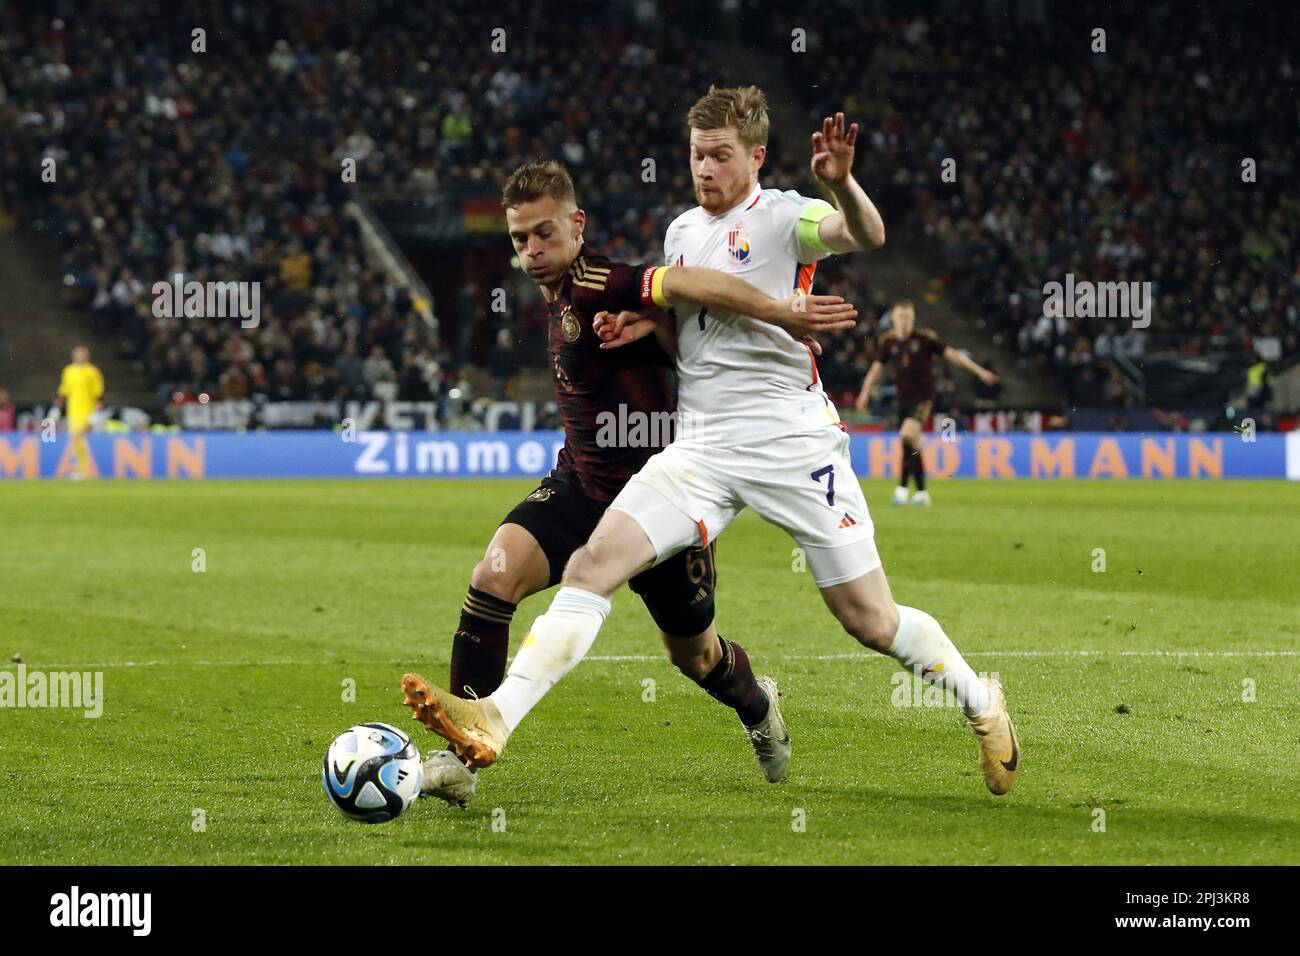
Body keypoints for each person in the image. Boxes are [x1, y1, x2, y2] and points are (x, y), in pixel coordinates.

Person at [402, 88, 1020, 797]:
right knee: (592, 566)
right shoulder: (680, 232)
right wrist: (647, 330)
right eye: (697, 155)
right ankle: (494, 721)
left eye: (721, 155)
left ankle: (980, 701)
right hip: (702, 446)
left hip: (793, 440)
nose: (706, 169)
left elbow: (869, 237)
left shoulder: (788, 215)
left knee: (870, 619)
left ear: (755, 156)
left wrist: (843, 183)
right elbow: (690, 336)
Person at [415, 159, 858, 806]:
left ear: (577, 224)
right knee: (492, 577)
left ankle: (759, 704)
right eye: (519, 240)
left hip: (657, 501)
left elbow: (692, 281)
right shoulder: (558, 291)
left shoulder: (606, 282)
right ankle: (464, 760)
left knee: (697, 657)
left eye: (544, 234)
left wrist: (778, 311)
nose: (532, 251)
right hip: (581, 487)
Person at [854, 301, 1000, 506]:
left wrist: (979, 371)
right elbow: (877, 369)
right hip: (902, 399)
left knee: (906, 435)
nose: (904, 321)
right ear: (893, 319)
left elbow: (953, 356)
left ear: (913, 319)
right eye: (901, 317)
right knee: (909, 443)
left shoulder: (924, 339)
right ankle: (916, 491)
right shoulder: (889, 342)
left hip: (923, 399)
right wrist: (865, 392)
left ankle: (906, 488)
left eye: (908, 317)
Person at [54, 346, 104, 479]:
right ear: (73, 356)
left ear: (87, 356)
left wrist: (97, 411)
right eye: (78, 354)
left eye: (83, 355)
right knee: (77, 440)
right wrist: (56, 408)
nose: (80, 357)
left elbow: (98, 393)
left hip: (87, 411)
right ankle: (83, 469)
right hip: (72, 412)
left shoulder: (92, 371)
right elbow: (63, 391)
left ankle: (81, 470)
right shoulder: (68, 371)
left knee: (78, 438)